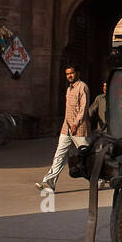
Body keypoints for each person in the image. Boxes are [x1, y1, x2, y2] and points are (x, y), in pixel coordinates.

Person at [36, 65, 89, 193]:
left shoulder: (82, 87)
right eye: (67, 74)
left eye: (71, 73)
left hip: (80, 128)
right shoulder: (69, 89)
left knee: (87, 156)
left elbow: (84, 107)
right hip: (66, 127)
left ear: (77, 73)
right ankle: (49, 183)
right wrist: (68, 124)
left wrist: (76, 123)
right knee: (59, 155)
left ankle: (99, 180)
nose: (69, 76)